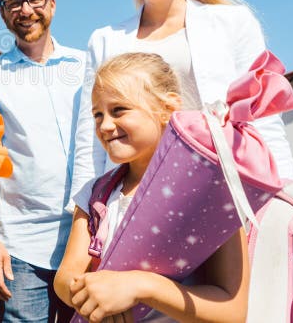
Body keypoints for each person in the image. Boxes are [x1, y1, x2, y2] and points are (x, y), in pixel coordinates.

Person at [74, 0, 293, 185]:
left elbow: (263, 120)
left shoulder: (233, 22)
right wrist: (82, 213)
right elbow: (89, 139)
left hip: (216, 187)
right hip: (133, 196)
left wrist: (285, 191)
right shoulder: (105, 40)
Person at [55, 52, 249, 322]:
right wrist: (96, 299)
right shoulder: (95, 194)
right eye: (97, 115)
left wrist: (142, 286)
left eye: (119, 110)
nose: (105, 125)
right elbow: (66, 277)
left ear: (168, 109)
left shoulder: (210, 191)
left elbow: (233, 311)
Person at [0, 0, 92, 322]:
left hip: (87, 240)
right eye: (14, 3)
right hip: (21, 249)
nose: (25, 10)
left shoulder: (87, 66)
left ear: (51, 4)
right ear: (3, 13)